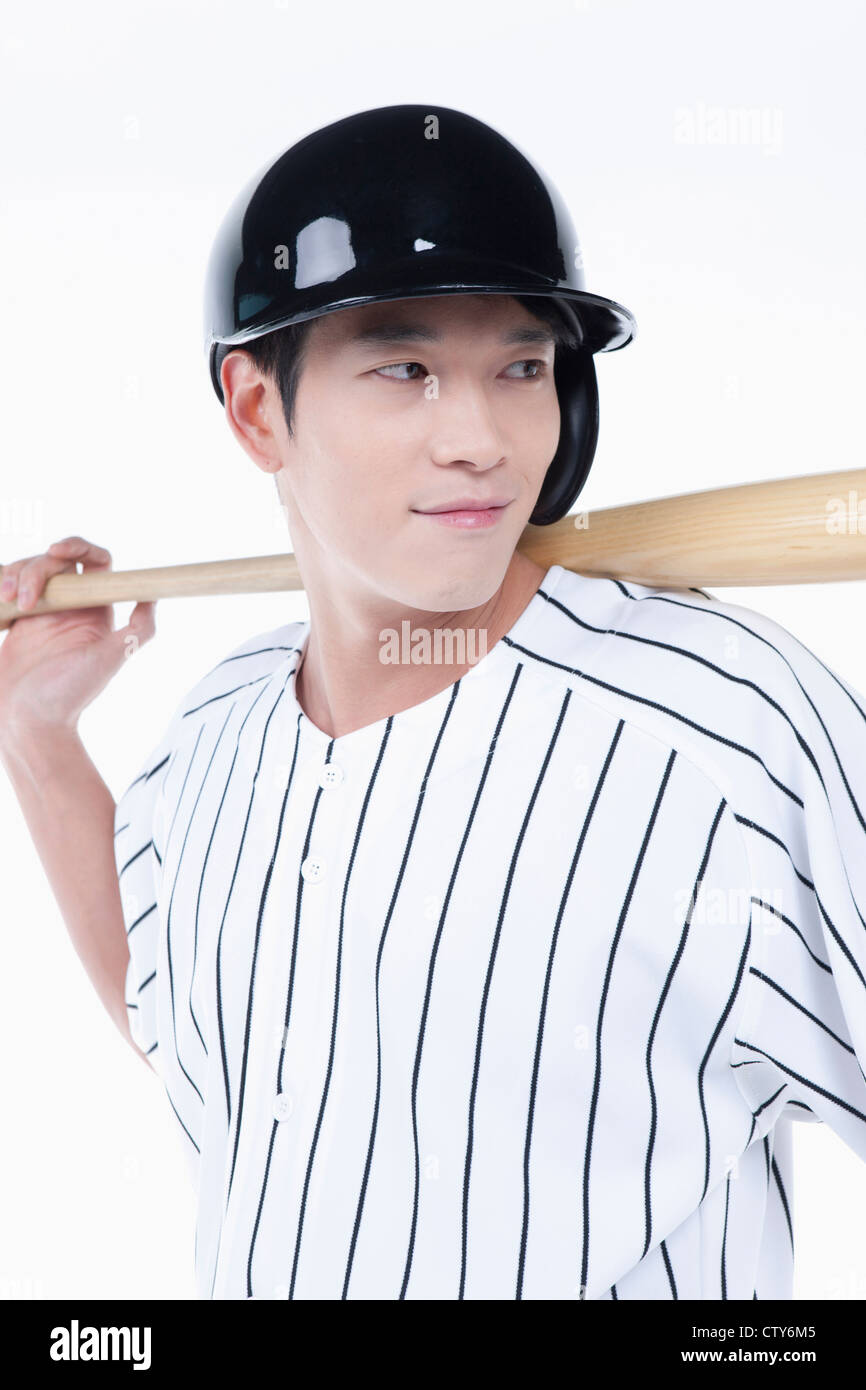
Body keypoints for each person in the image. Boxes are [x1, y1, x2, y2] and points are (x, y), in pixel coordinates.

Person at [1, 105, 864, 1302]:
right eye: (404, 369)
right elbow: (187, 1029)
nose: (479, 440)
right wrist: (36, 733)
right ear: (258, 409)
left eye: (518, 367)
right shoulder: (218, 727)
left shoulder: (727, 734)